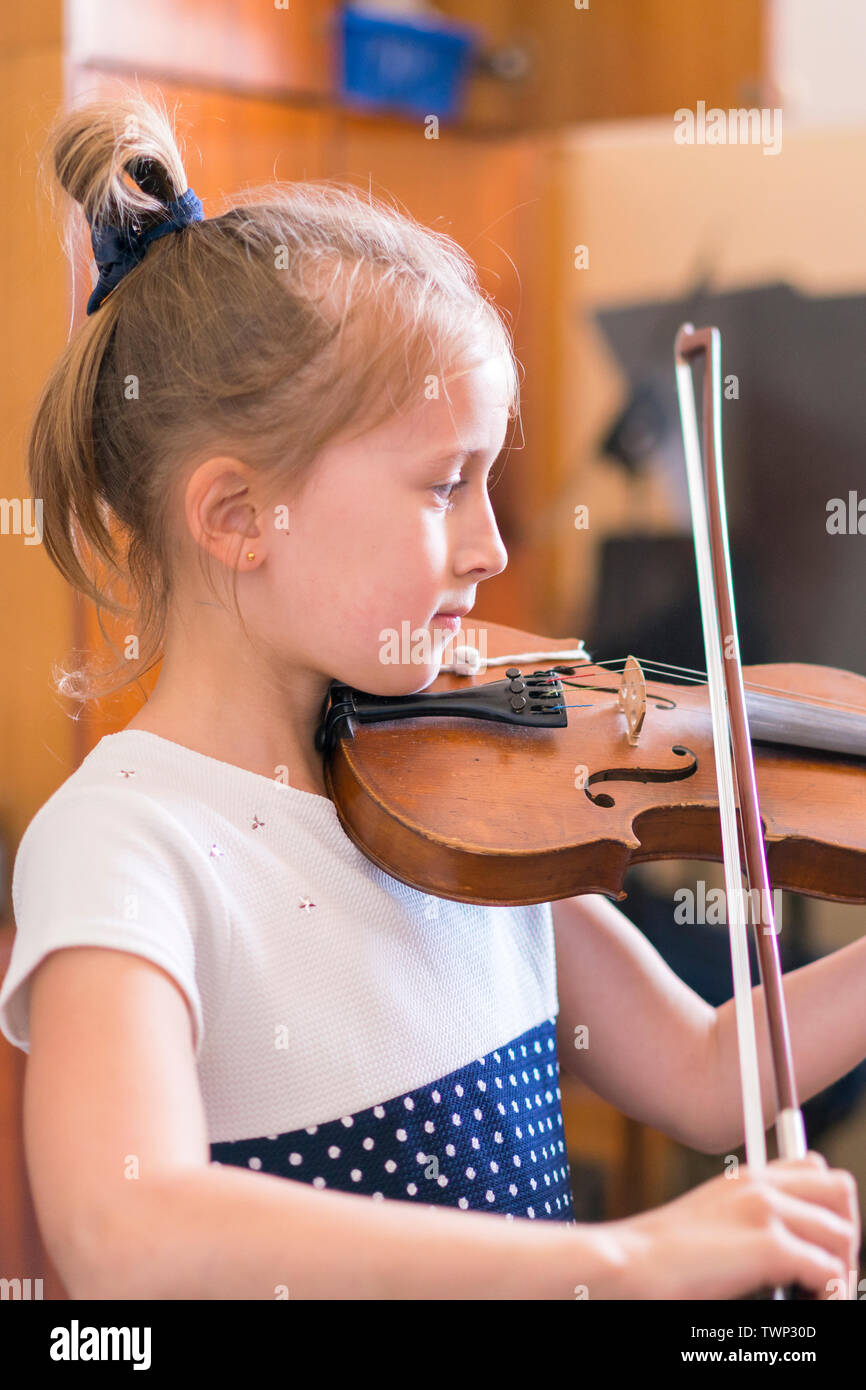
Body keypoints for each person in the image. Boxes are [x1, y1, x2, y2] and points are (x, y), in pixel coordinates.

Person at [0, 90, 860, 1301]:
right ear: (241, 516)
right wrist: (623, 1259)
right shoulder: (126, 843)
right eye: (442, 483)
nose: (490, 548)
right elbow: (122, 1226)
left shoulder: (455, 801)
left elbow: (709, 1067)